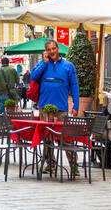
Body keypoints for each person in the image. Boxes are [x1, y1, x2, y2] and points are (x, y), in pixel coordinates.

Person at [29, 39, 82, 177]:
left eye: (54, 48)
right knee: (47, 137)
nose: (52, 51)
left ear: (57, 48)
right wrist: (43, 62)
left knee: (66, 137)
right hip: (44, 107)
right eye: (49, 49)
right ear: (46, 51)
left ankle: (74, 165)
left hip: (62, 108)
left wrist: (76, 105)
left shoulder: (68, 66)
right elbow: (33, 77)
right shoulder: (43, 64)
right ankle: (50, 164)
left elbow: (74, 86)